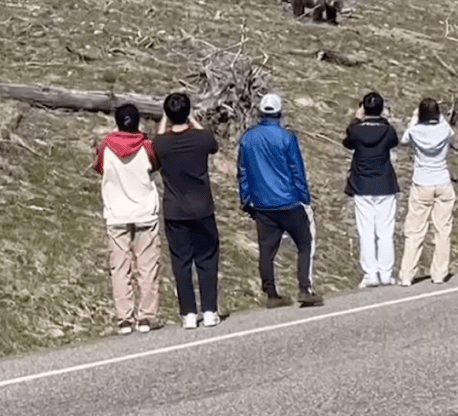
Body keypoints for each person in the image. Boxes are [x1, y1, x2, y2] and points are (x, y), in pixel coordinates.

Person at [237, 93, 324, 308]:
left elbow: (243, 172)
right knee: (305, 243)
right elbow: (297, 170)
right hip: (289, 201)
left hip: (263, 204)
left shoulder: (248, 138)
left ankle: (271, 293)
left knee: (266, 250)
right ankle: (305, 287)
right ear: (279, 112)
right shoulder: (286, 137)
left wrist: (246, 199)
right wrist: (305, 198)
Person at [153, 93, 222, 330]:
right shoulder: (202, 138)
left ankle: (188, 313)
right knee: (207, 258)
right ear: (189, 112)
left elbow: (158, 139)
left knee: (181, 262)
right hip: (202, 207)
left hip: (175, 210)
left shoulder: (161, 144)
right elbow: (212, 143)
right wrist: (192, 118)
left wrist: (165, 118)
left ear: (168, 115)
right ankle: (210, 310)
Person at [93, 104, 162, 335]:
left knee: (120, 267)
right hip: (144, 210)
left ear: (118, 122)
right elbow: (155, 166)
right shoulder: (146, 146)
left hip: (116, 213)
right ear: (137, 122)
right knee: (147, 265)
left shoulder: (106, 147)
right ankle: (146, 316)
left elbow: (99, 168)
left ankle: (124, 318)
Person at [397, 98, 457, 287]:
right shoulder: (444, 130)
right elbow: (452, 133)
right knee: (442, 230)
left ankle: (407, 274)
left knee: (415, 230)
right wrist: (440, 117)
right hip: (442, 182)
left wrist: (414, 118)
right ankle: (439, 273)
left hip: (422, 183)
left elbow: (404, 139)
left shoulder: (415, 132)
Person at [343, 91, 400, 288]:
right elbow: (394, 143)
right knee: (385, 231)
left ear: (364, 108)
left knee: (366, 231)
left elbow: (347, 141)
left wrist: (356, 119)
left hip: (362, 184)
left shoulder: (356, 131)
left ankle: (370, 274)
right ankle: (386, 273)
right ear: (382, 109)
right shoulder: (388, 130)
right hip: (384, 183)